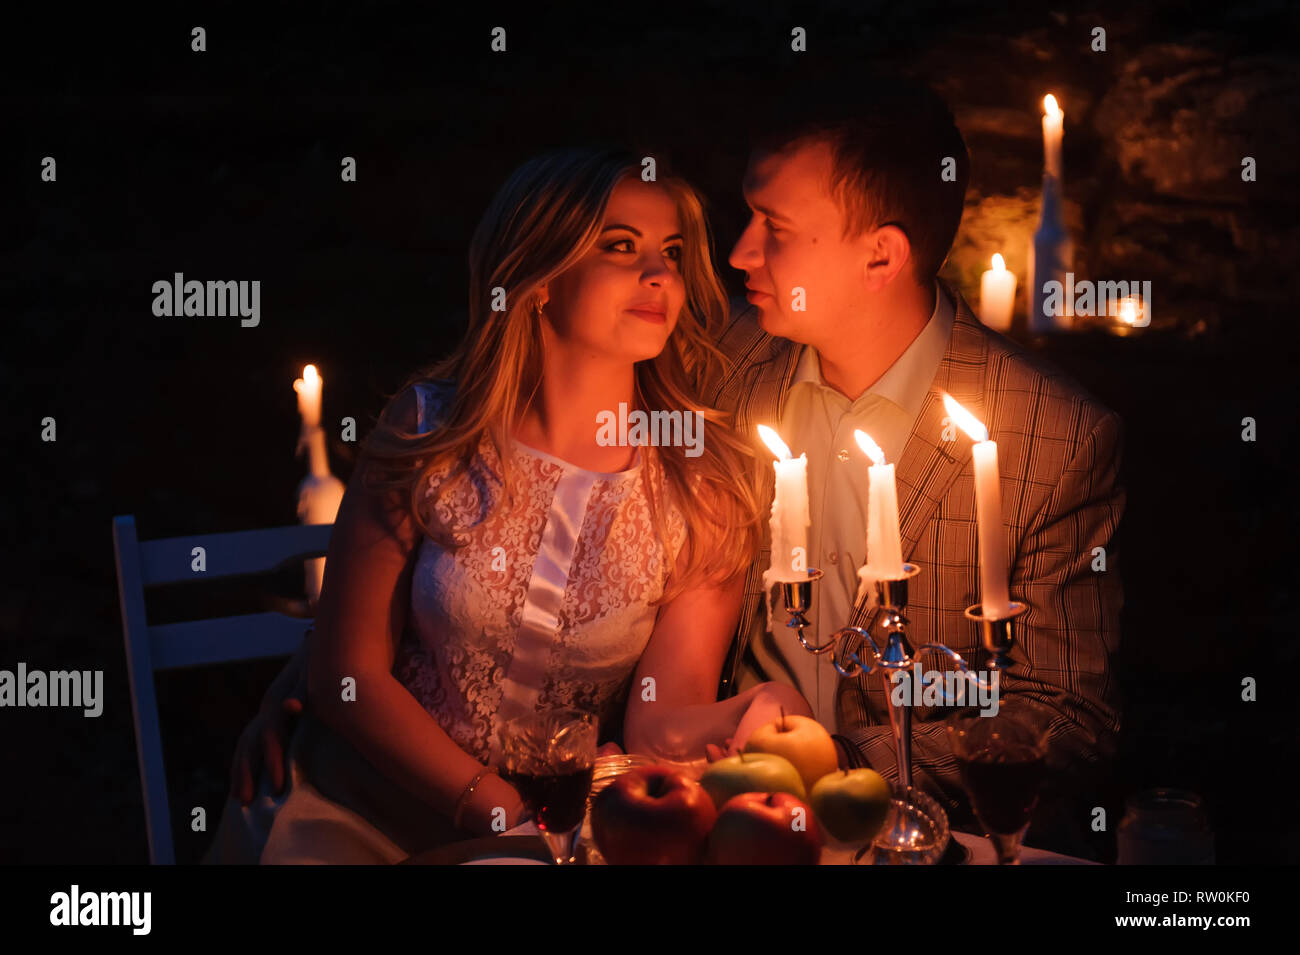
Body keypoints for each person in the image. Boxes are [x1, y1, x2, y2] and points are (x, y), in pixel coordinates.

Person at [203, 147, 811, 864]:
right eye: (621, 246)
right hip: (358, 811)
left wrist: (756, 709)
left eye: (672, 253)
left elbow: (658, 721)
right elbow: (347, 671)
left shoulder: (702, 484)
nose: (659, 275)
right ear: (538, 278)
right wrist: (498, 810)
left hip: (545, 835)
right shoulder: (430, 430)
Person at [704, 82, 1125, 858]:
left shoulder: (1052, 436)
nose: (739, 253)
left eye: (776, 227)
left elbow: (1067, 717)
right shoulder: (718, 363)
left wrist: (845, 764)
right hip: (726, 819)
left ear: (881, 255)